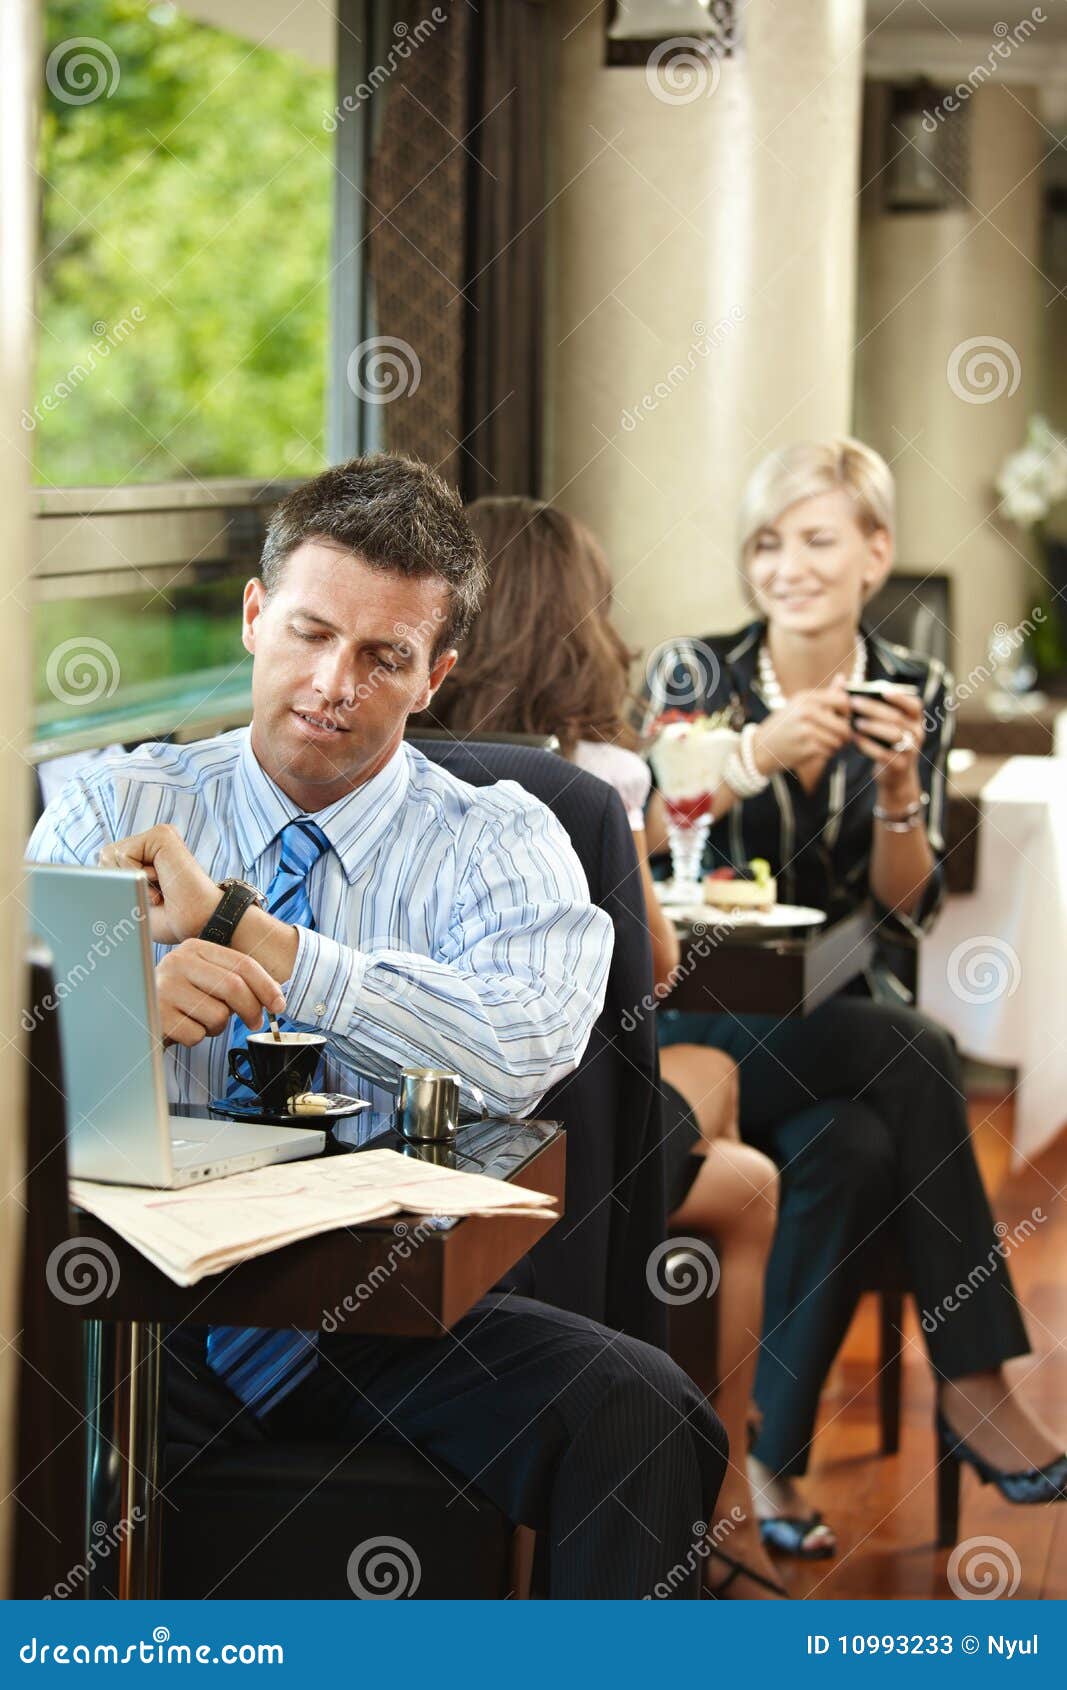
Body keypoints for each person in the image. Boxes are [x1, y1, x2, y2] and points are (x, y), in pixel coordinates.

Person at [28, 452, 728, 1600]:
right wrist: (112, 1010)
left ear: (434, 674)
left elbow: (519, 1048)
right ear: (255, 617)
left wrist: (264, 942)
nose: (331, 682)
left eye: (381, 657)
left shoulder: (500, 836)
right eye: (308, 632)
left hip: (387, 1319)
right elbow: (22, 1044)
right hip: (144, 1321)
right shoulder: (117, 804)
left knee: (639, 1414)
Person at [646, 437, 1066, 1557]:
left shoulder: (911, 689)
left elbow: (906, 908)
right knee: (916, 1053)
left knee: (852, 1147)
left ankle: (761, 1468)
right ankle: (973, 1380)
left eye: (815, 539)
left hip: (841, 1024)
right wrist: (748, 751)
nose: (785, 565)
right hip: (710, 1021)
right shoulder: (694, 674)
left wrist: (893, 793)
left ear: (873, 553)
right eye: (765, 543)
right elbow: (653, 813)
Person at [427, 495, 785, 1597]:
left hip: (466, 1117)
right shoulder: (591, 781)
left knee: (711, 1104)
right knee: (739, 1159)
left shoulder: (411, 771)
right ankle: (721, 1492)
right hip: (569, 1135)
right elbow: (654, 967)